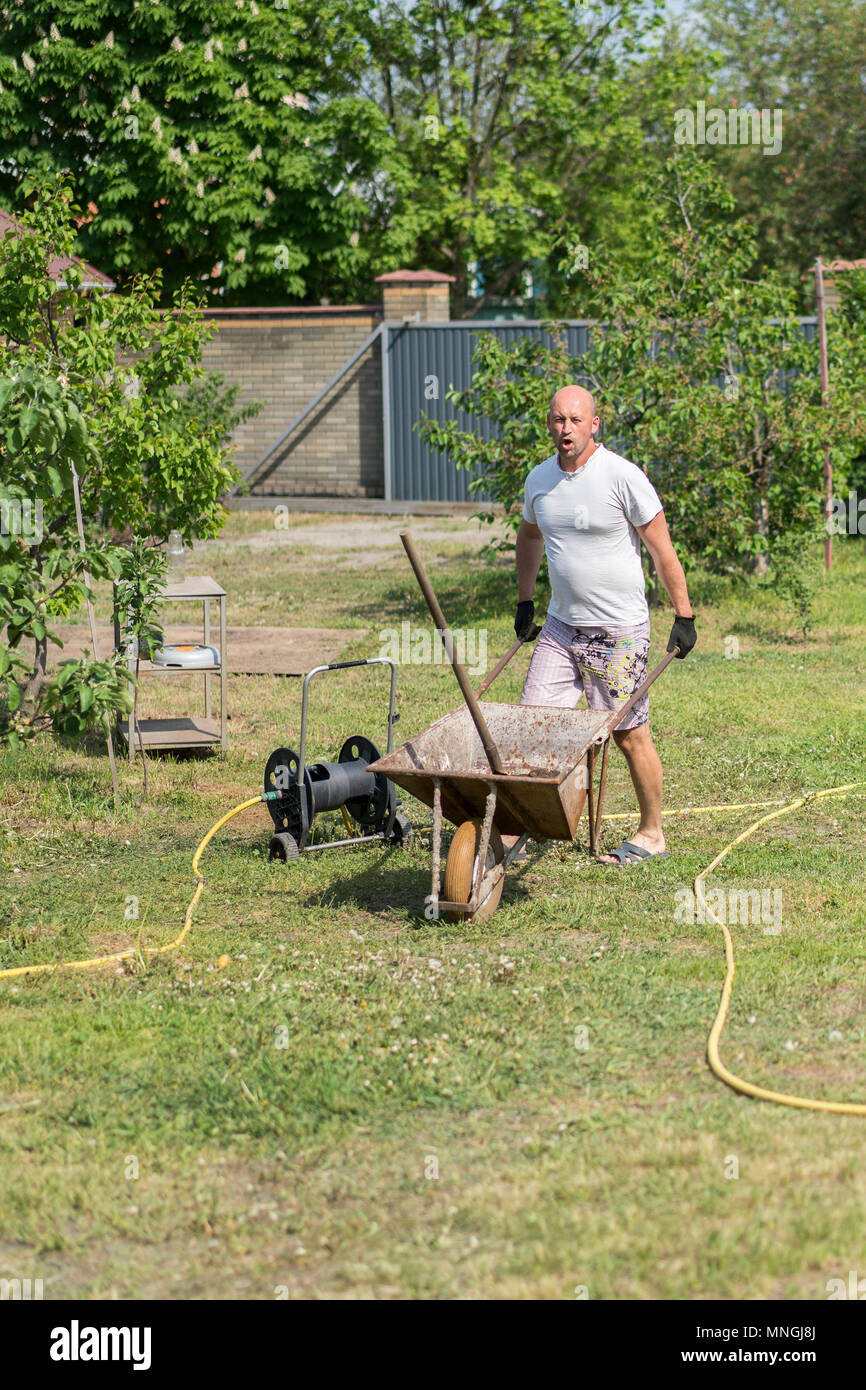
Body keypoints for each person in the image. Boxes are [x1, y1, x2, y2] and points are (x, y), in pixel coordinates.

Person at [511, 384, 696, 865]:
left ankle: (651, 833)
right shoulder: (539, 481)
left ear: (595, 424)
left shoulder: (622, 476)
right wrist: (526, 600)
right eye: (557, 419)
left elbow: (661, 548)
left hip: (618, 634)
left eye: (575, 420)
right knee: (532, 725)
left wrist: (684, 614)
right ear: (549, 424)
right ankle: (520, 824)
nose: (565, 428)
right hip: (560, 627)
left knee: (628, 734)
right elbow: (529, 535)